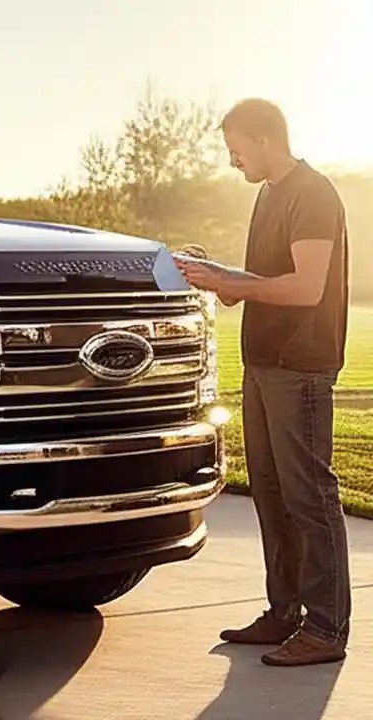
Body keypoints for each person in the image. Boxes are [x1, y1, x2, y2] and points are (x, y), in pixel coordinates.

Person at [175, 98, 350, 667]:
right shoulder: (268, 194)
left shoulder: (313, 194)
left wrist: (235, 280)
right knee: (272, 497)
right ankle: (285, 614)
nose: (233, 162)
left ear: (265, 139)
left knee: (309, 497)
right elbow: (263, 281)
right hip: (263, 362)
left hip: (300, 366)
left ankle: (326, 629)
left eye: (237, 149)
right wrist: (217, 280)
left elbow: (306, 289)